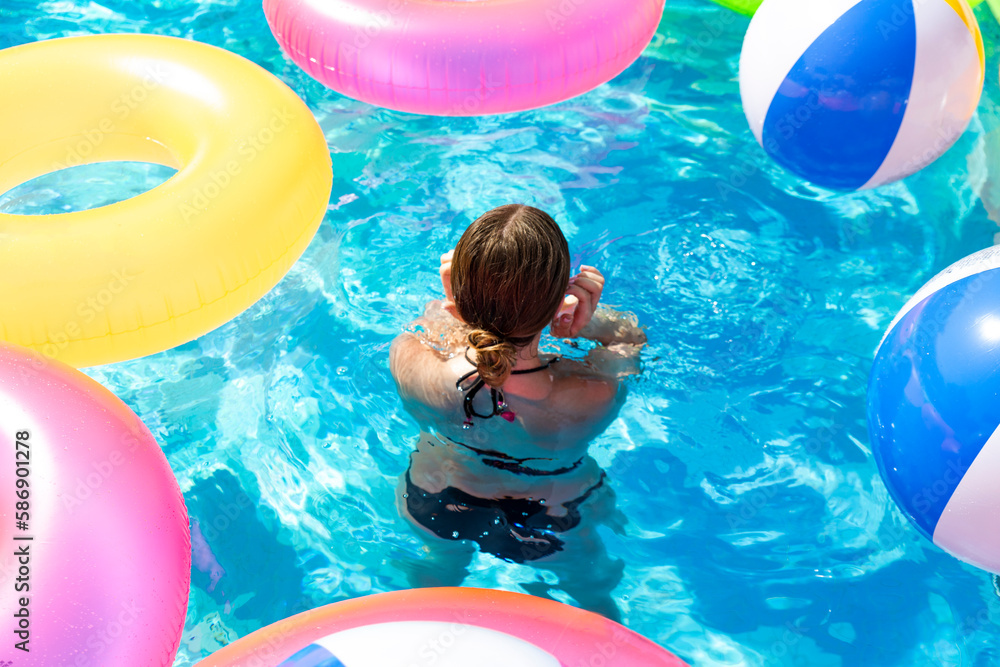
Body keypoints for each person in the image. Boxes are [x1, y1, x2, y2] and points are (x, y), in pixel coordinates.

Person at [389, 204, 646, 620]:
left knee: (428, 596)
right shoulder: (592, 393)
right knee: (596, 606)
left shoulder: (418, 369)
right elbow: (630, 342)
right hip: (548, 522)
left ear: (459, 295)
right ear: (559, 304)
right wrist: (589, 322)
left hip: (437, 502)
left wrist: (456, 302)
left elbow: (429, 325)